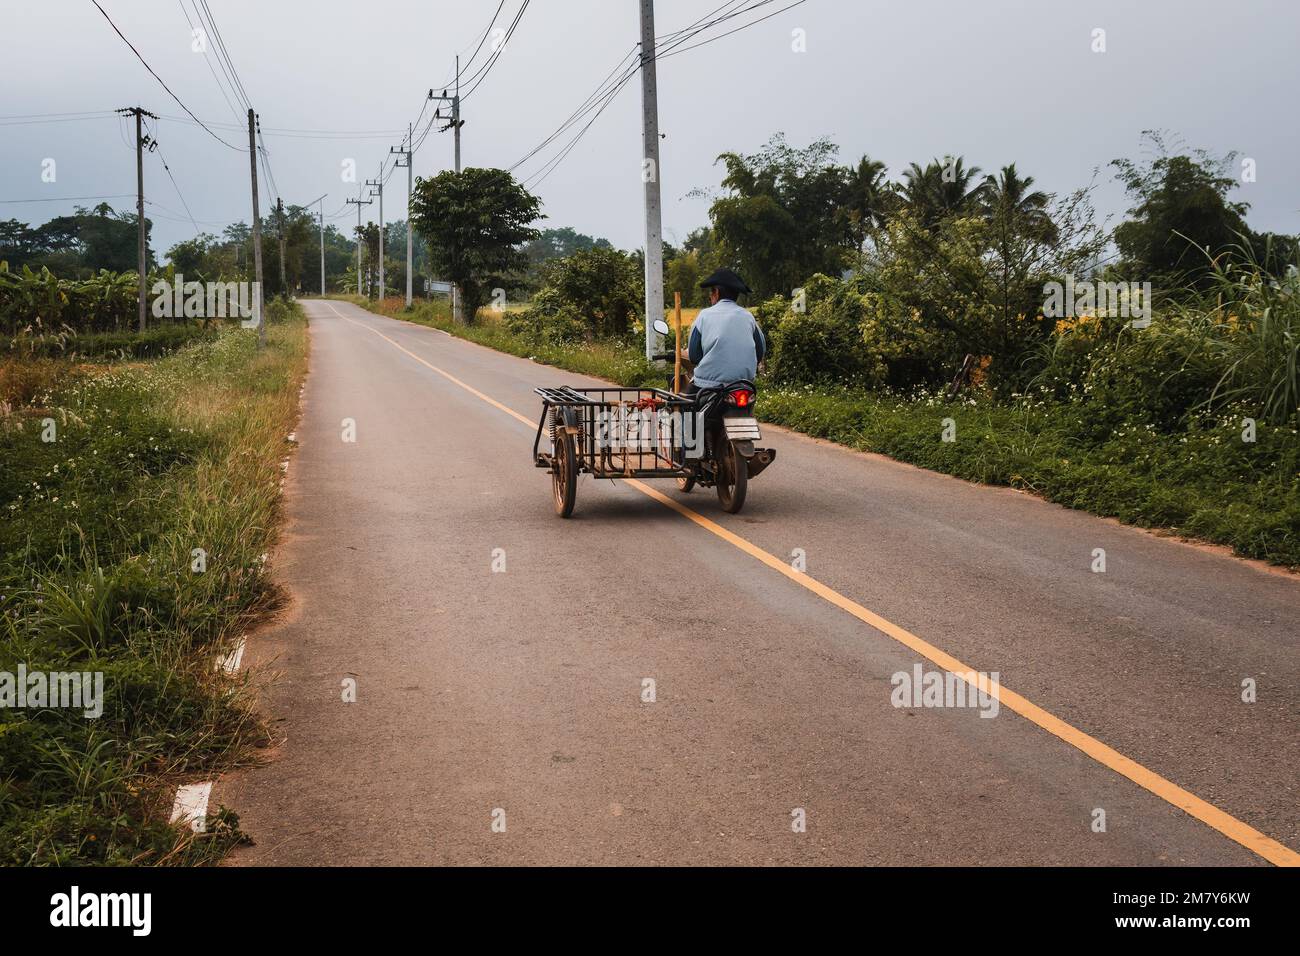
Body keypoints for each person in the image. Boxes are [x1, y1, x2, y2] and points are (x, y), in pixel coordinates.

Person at [684, 268, 766, 393]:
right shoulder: (748, 317)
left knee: (685, 405)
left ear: (716, 292)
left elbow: (694, 356)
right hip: (744, 386)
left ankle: (687, 413)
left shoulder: (704, 316)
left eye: (711, 292)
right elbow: (759, 352)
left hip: (708, 386)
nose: (710, 296)